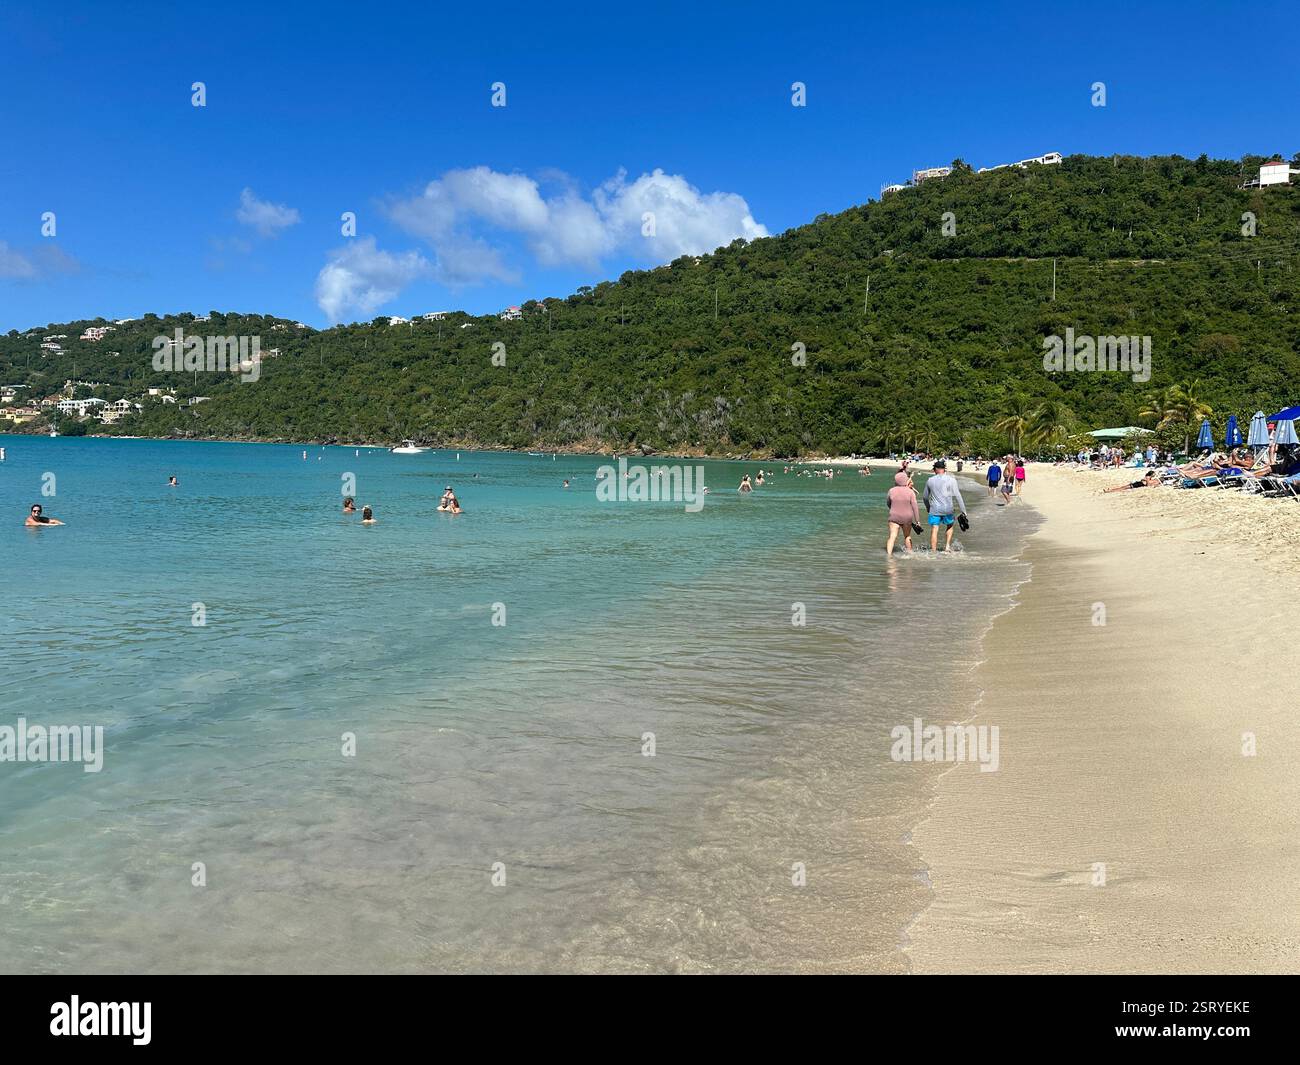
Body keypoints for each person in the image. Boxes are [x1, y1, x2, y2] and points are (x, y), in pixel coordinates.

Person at [922, 460, 966, 552]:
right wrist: (963, 511)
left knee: (935, 529)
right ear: (944, 469)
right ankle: (947, 547)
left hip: (935, 509)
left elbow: (925, 497)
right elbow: (958, 496)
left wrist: (928, 507)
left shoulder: (930, 480)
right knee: (949, 526)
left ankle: (933, 551)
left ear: (936, 469)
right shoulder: (951, 480)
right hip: (948, 509)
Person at [886, 472, 920, 556]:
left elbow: (888, 503)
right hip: (907, 517)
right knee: (907, 536)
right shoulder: (910, 492)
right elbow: (915, 507)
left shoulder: (891, 490)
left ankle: (889, 556)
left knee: (892, 536)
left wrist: (893, 509)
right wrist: (917, 521)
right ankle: (910, 554)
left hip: (894, 516)